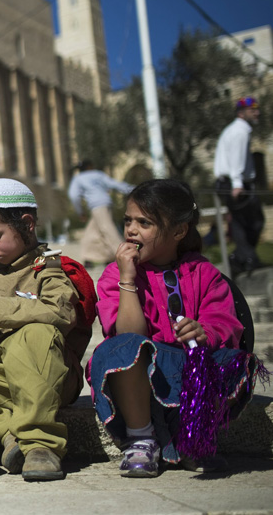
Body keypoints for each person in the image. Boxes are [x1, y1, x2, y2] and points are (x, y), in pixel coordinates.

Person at [88, 179, 264, 477]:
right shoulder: (115, 276)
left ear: (179, 232)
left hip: (188, 374)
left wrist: (205, 332)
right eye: (128, 221)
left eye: (144, 222)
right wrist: (128, 280)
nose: (131, 230)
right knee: (121, 349)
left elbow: (226, 324)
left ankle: (192, 438)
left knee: (237, 361)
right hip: (139, 380)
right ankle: (141, 438)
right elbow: (129, 336)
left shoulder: (204, 273)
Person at [0, 179, 91, 481]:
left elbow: (60, 313)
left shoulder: (48, 268)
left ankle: (40, 446)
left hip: (45, 375)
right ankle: (9, 433)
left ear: (27, 224)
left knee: (35, 333)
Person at [214, 96, 265, 275]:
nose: (257, 113)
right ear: (241, 113)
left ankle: (240, 258)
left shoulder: (237, 129)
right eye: (253, 110)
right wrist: (237, 184)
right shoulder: (240, 131)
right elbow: (236, 159)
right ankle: (246, 257)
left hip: (233, 182)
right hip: (236, 183)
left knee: (243, 222)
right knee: (251, 221)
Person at [67, 160, 133, 268]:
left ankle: (125, 255)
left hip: (96, 206)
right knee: (91, 232)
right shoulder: (98, 174)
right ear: (90, 166)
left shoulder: (78, 178)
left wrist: (80, 211)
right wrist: (131, 188)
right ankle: (92, 258)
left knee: (108, 230)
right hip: (106, 203)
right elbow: (115, 184)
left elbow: (73, 195)